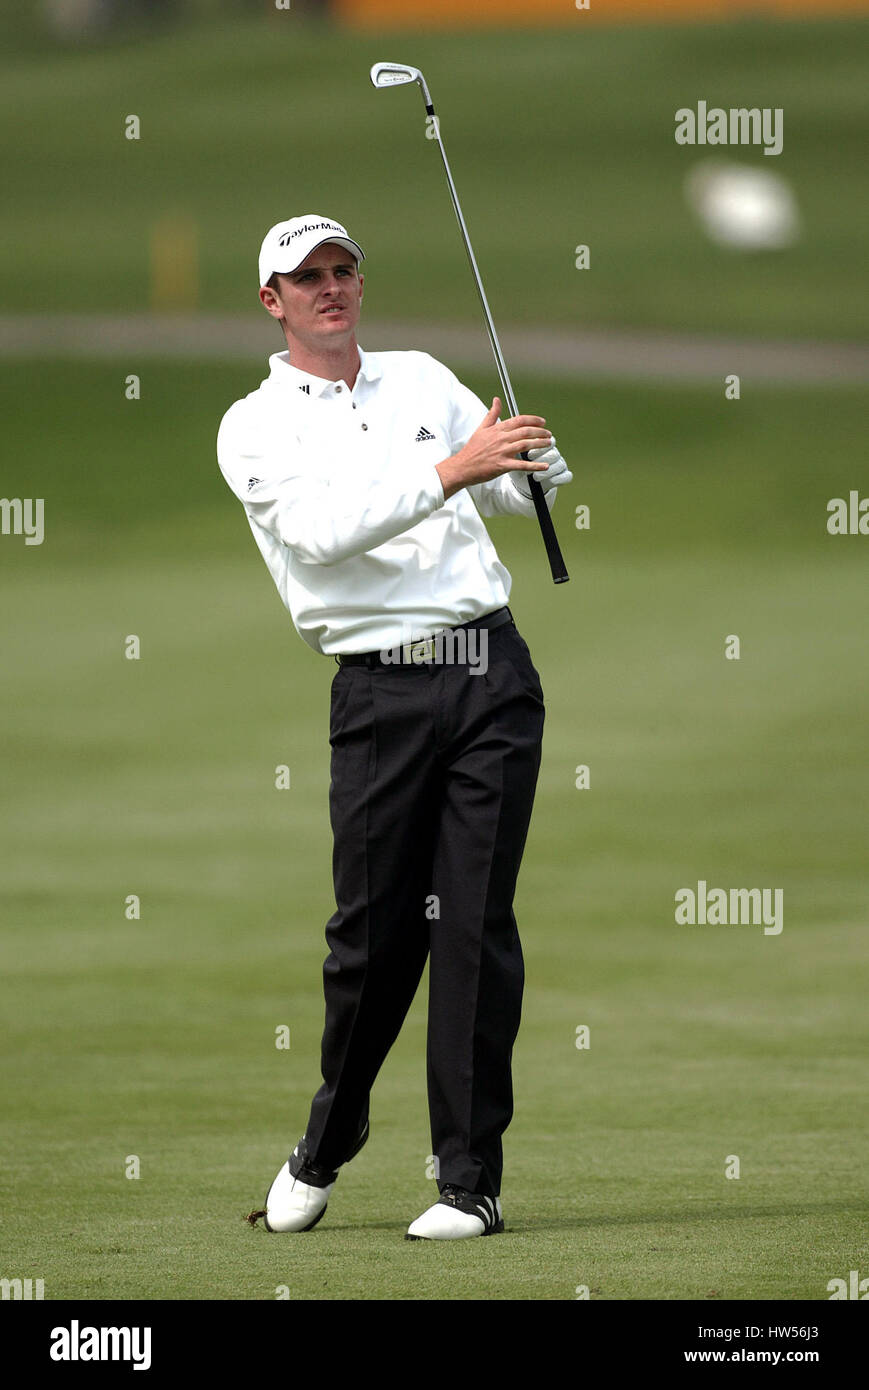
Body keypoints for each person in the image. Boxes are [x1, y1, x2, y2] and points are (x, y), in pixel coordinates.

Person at [218, 214, 571, 1240]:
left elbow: (515, 489)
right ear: (271, 301)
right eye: (305, 277)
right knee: (372, 940)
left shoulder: (420, 376)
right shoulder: (253, 424)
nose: (330, 287)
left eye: (342, 270)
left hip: (488, 671)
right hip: (380, 691)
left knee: (471, 927)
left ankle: (467, 1178)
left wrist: (528, 463)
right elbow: (323, 537)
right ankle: (327, 1141)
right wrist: (458, 468)